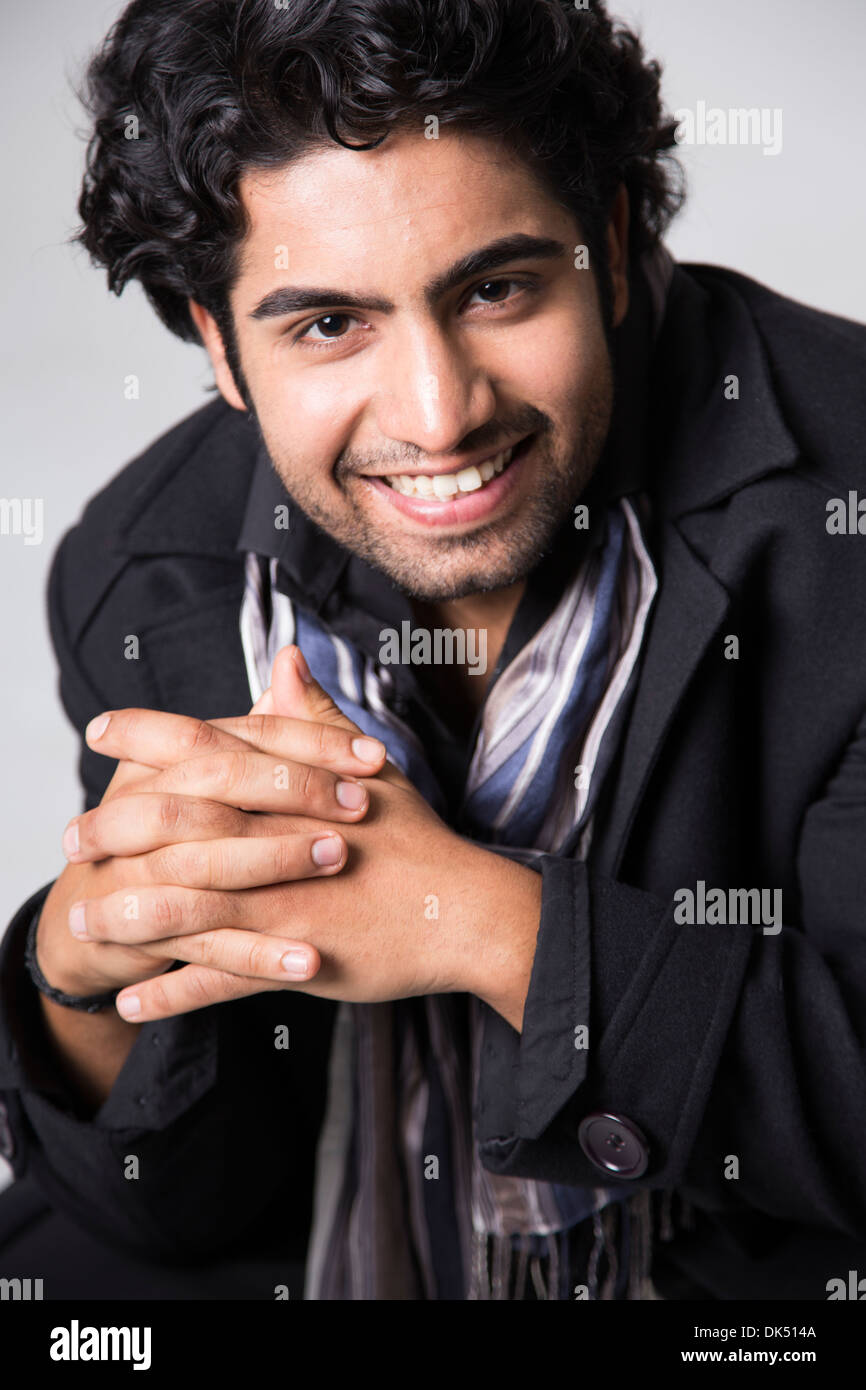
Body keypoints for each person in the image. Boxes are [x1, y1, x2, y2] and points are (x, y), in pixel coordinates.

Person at [1, 0, 865, 1302]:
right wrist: (74, 975)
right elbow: (188, 1207)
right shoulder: (147, 569)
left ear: (615, 246)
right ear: (214, 342)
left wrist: (471, 919)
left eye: (497, 288)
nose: (439, 414)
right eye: (327, 325)